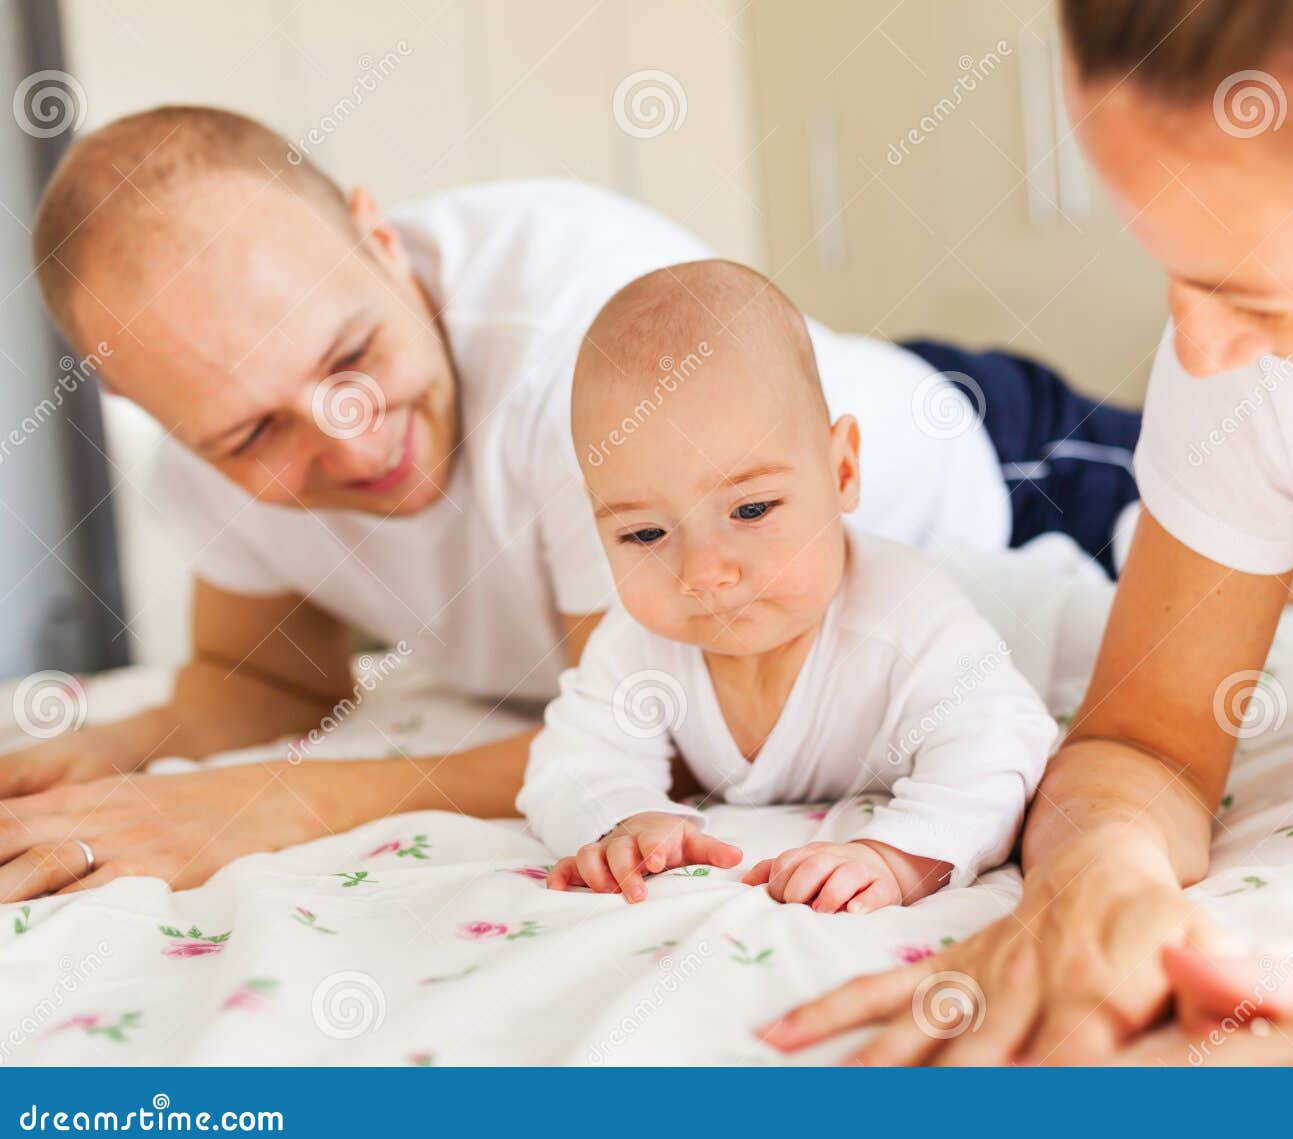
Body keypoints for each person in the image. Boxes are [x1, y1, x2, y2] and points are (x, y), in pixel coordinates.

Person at [0, 104, 1131, 902]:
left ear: (380, 238)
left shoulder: (572, 351)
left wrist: (275, 804)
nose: (350, 440)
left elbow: (672, 728)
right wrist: (126, 745)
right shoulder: (203, 450)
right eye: (252, 433)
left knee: (1256, 519)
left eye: (350, 353)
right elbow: (267, 680)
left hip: (1009, 477)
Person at [762, 0, 1293, 1064]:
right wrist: (1098, 876)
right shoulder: (1251, 365)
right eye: (1176, 265)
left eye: (1270, 290)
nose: (1199, 351)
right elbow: (1143, 740)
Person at [523, 261, 1058, 910]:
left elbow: (1001, 739)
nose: (703, 573)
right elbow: (574, 754)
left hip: (1036, 591)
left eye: (751, 511)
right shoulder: (636, 644)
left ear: (841, 472)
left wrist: (898, 854)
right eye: (644, 535)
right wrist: (622, 818)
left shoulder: (908, 618)